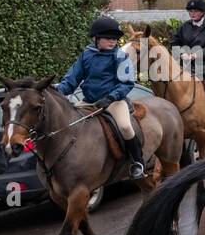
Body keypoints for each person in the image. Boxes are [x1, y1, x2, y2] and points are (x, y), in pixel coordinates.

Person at [59, 16, 146, 178]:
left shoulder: (120, 56)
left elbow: (127, 83)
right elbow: (71, 80)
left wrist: (110, 97)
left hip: (114, 101)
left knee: (125, 127)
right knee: (68, 122)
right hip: (89, 100)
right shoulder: (86, 55)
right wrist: (57, 91)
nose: (112, 41)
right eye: (108, 38)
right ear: (96, 38)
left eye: (115, 38)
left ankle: (137, 162)